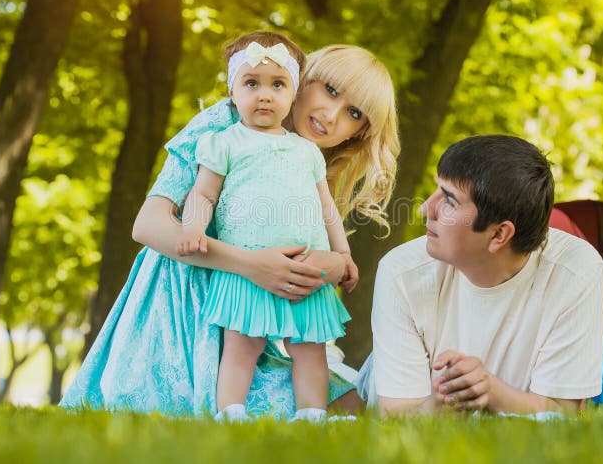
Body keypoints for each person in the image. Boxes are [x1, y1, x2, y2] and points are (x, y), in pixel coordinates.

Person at [60, 31, 399, 419]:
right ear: (305, 77)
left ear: (360, 133)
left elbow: (304, 244)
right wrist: (252, 265)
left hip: (264, 310)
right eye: (332, 90)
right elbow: (147, 225)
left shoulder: (305, 156)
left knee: (350, 403)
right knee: (214, 403)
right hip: (188, 295)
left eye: (355, 114)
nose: (333, 115)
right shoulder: (222, 125)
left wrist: (335, 263)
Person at [357, 135, 603, 417]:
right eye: (437, 190)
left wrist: (490, 390)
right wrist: (444, 400)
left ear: (499, 234)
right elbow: (396, 417)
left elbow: (561, 413)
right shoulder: (401, 272)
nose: (426, 208)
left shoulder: (575, 272)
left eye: (449, 201)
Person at [176, 33, 356, 422]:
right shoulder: (223, 143)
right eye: (251, 84)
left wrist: (343, 254)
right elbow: (203, 194)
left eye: (277, 85)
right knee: (242, 345)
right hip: (248, 266)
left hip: (305, 269)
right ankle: (231, 412)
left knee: (309, 347)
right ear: (232, 91)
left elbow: (327, 208)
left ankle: (312, 414)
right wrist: (193, 227)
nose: (264, 95)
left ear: (293, 95)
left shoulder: (306, 151)